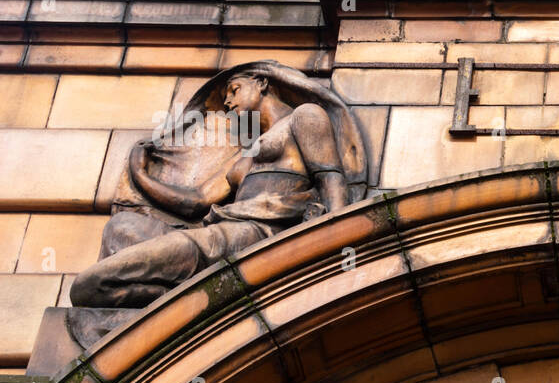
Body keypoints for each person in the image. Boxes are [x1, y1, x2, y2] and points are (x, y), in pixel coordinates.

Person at [71, 62, 367, 309]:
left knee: (91, 284)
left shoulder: (304, 117)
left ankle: (183, 306)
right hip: (222, 231)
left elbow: (331, 180)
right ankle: (184, 305)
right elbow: (196, 201)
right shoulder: (245, 155)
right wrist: (140, 174)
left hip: (257, 234)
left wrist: (333, 252)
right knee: (120, 228)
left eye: (234, 90)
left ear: (261, 82)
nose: (228, 101)